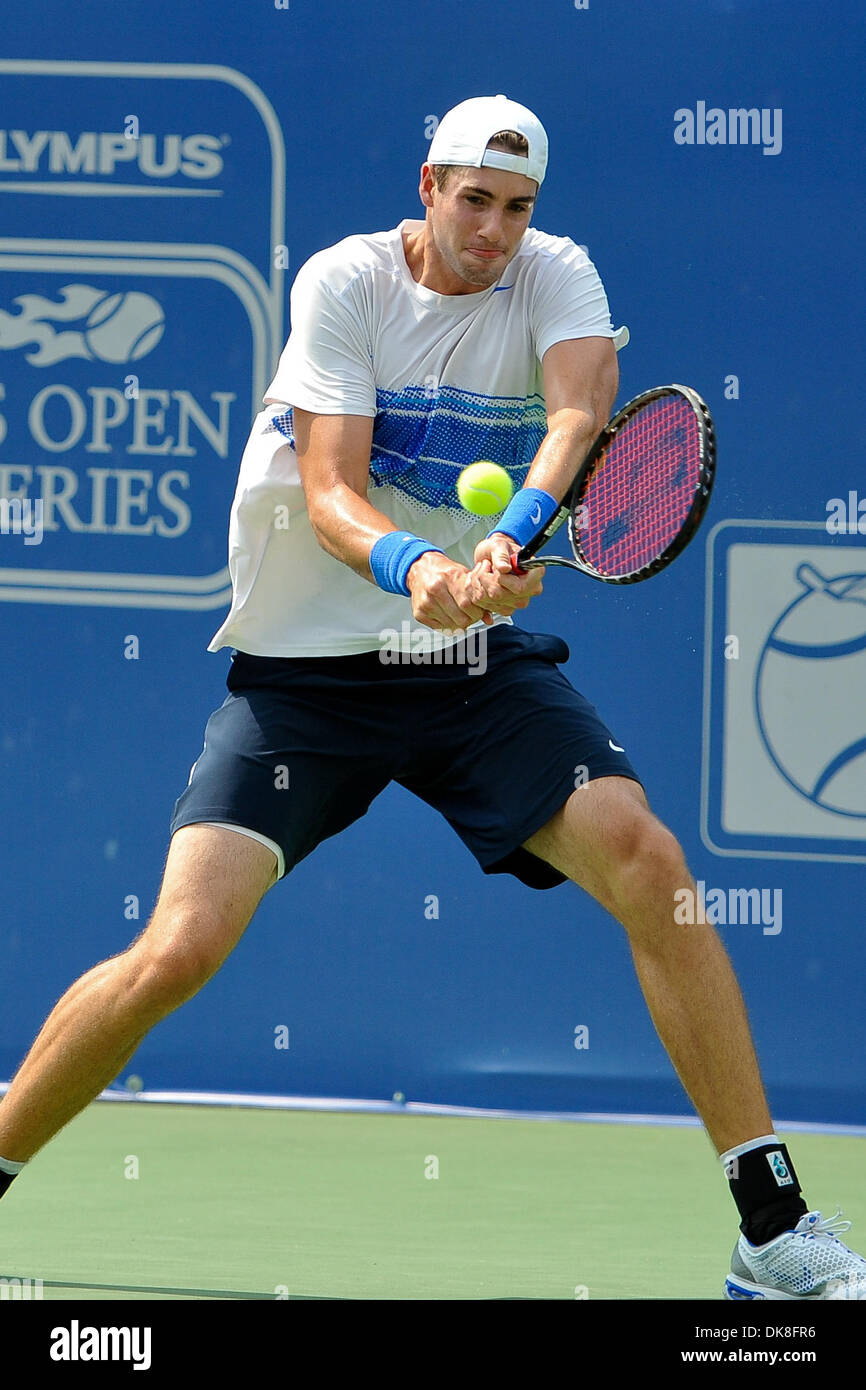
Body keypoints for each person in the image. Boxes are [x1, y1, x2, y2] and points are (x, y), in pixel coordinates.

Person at [1, 94, 863, 1301]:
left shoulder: (555, 275)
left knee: (645, 855)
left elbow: (575, 417)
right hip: (306, 680)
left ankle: (769, 1231)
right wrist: (420, 570)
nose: (495, 229)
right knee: (179, 947)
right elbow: (330, 487)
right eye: (474, 200)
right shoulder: (346, 285)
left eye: (516, 208)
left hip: (462, 674)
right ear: (426, 186)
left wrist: (508, 545)